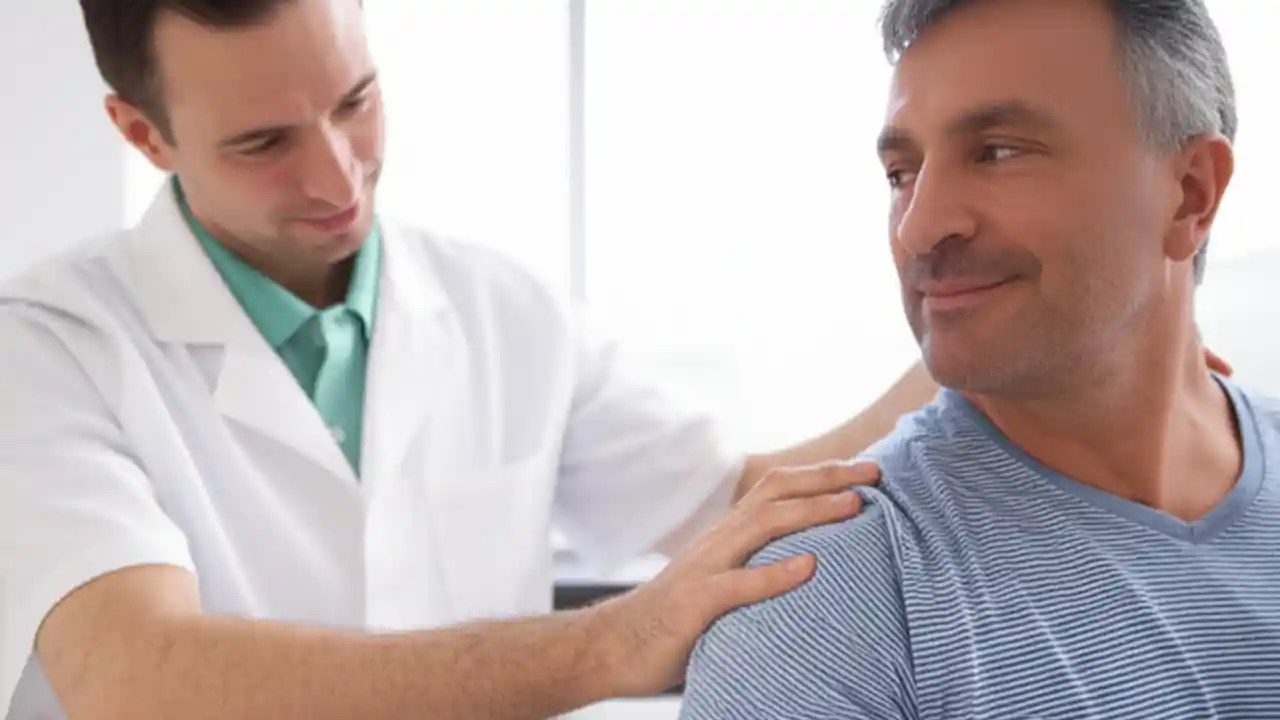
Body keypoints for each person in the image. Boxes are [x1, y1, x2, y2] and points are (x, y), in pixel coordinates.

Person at [0, 1, 950, 718]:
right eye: (264, 144)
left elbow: (737, 507)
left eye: (355, 101)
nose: (336, 175)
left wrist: (961, 344)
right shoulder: (48, 344)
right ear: (142, 132)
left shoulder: (505, 312)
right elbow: (131, 672)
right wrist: (609, 642)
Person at [680, 0, 1280, 717]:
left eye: (997, 152)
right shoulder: (826, 595)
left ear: (1189, 195)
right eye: (901, 173)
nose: (921, 226)